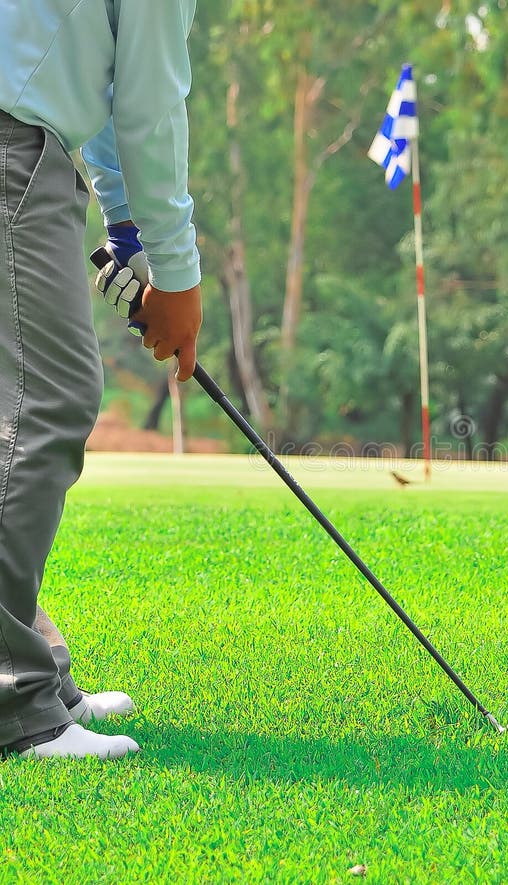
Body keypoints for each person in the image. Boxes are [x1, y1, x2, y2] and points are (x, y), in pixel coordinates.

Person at [0, 0, 203, 759]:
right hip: (12, 144)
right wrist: (177, 278)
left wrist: (128, 230)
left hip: (20, 137)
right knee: (47, 401)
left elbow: (118, 89)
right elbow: (150, 102)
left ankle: (34, 669)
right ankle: (13, 702)